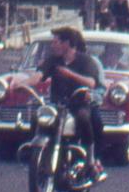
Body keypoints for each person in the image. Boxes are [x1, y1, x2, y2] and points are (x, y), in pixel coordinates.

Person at [42, 26, 108, 181]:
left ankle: (93, 160)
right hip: (60, 104)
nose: (53, 46)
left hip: (84, 102)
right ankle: (39, 153)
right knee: (40, 117)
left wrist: (91, 96)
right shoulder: (55, 61)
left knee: (92, 120)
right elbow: (40, 75)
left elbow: (97, 86)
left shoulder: (90, 62)